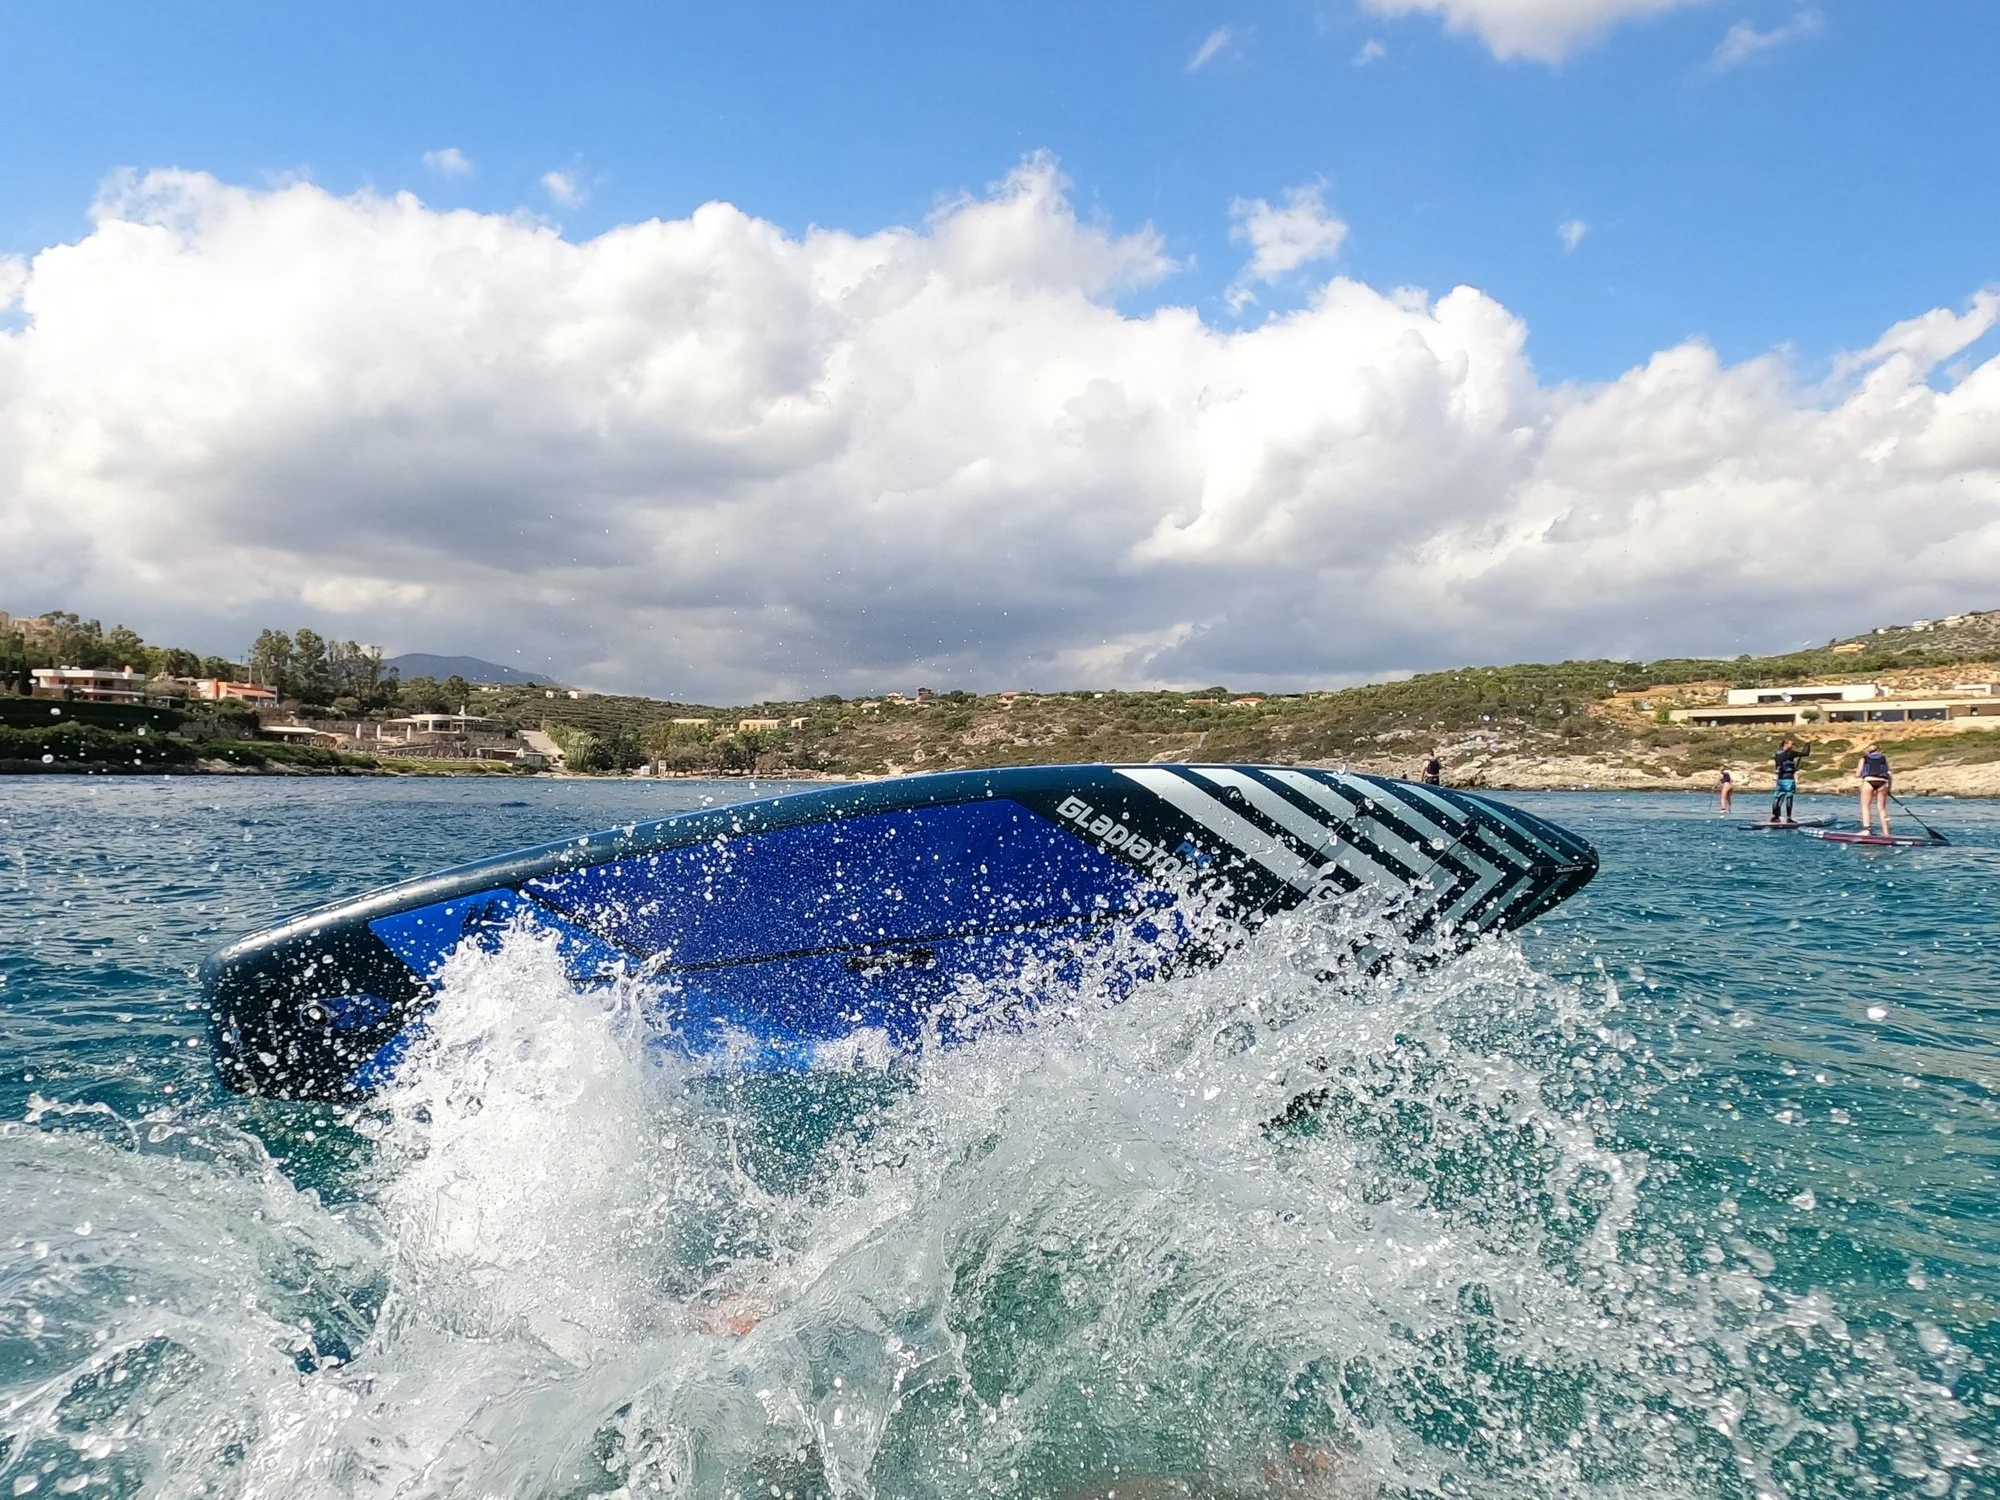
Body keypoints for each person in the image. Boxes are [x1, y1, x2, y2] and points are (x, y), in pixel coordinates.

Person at [1856, 742, 1892, 836]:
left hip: (1869, 782)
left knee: (1865, 806)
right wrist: (1889, 789)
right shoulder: (1884, 758)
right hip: (1883, 783)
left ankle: (1867, 830)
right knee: (1882, 809)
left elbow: (1858, 774)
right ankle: (1886, 833)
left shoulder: (1864, 758)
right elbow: (1889, 775)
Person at [1770, 739, 1807, 824]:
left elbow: (1781, 764)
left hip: (1780, 779)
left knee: (1778, 797)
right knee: (1789, 798)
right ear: (1786, 744)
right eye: (1791, 744)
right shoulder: (1790, 753)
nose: (1793, 746)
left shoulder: (1777, 753)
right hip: (1789, 779)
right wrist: (1807, 744)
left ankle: (1775, 817)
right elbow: (1805, 753)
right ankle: (1789, 818)